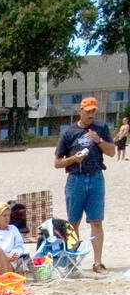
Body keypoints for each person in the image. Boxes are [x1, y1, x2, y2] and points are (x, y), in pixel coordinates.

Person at [54, 96, 115, 273]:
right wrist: (74, 159)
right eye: (88, 111)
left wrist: (98, 140)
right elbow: (57, 162)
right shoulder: (69, 132)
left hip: (96, 177)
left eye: (93, 111)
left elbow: (112, 152)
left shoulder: (101, 128)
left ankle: (97, 262)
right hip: (75, 179)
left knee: (96, 222)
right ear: (80, 111)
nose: (91, 115)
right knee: (73, 223)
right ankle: (72, 262)